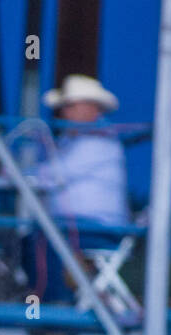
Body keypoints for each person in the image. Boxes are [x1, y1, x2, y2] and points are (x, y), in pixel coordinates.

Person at [25, 75, 129, 303]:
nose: (64, 113)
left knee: (44, 240)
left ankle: (55, 308)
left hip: (97, 227)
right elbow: (51, 173)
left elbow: (54, 175)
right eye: (64, 107)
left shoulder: (98, 141)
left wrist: (16, 172)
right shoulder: (74, 140)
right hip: (79, 226)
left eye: (70, 106)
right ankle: (50, 303)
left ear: (92, 108)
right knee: (33, 238)